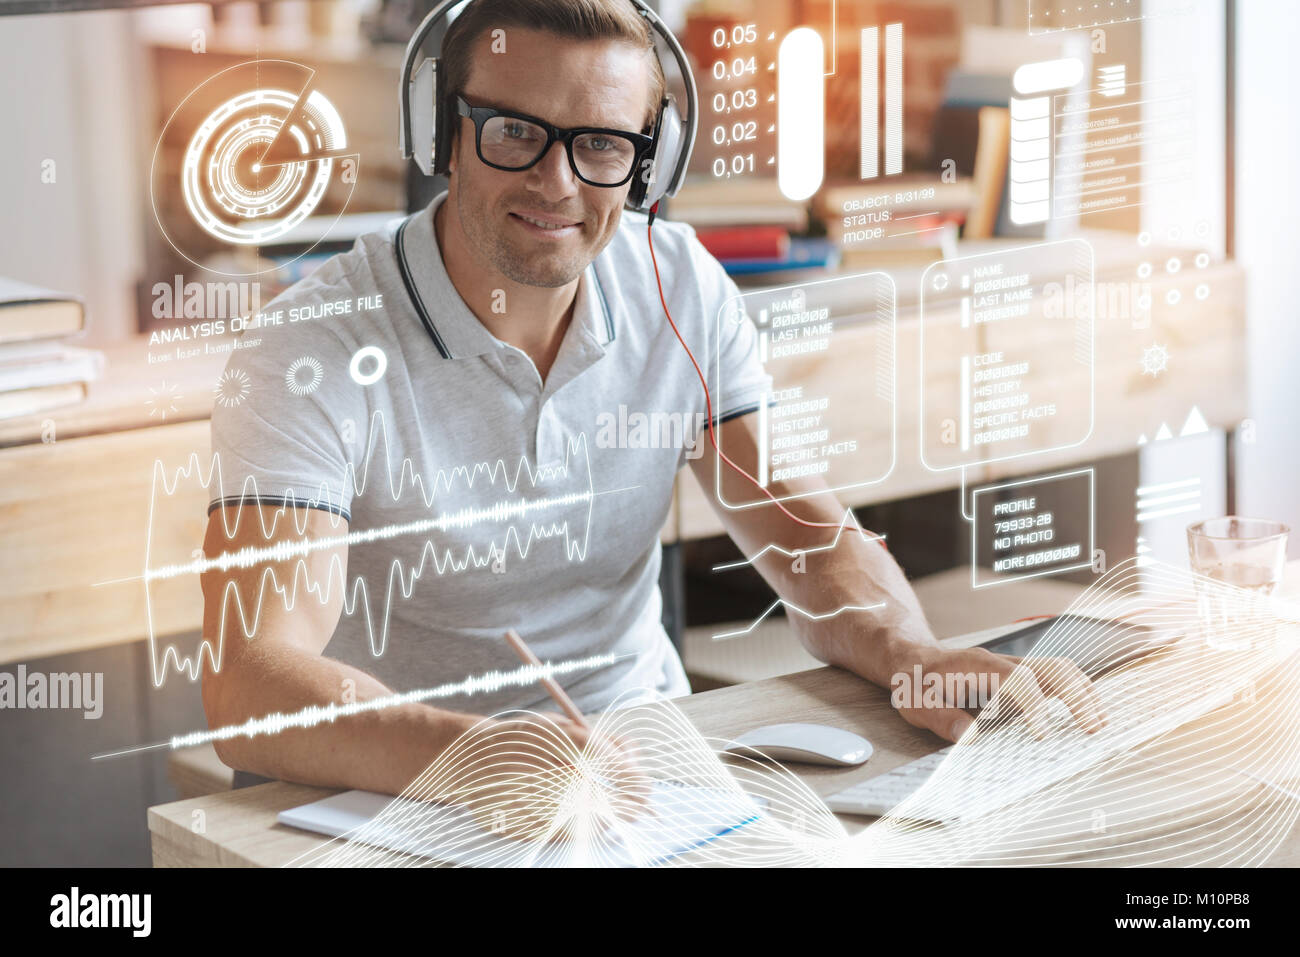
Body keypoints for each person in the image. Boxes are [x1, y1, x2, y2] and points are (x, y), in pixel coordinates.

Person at [200, 0, 1104, 819]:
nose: (557, 182)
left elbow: (805, 534)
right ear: (441, 130)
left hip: (649, 782)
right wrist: (473, 754)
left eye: (601, 144)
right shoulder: (309, 347)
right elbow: (249, 683)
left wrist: (914, 653)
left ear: (647, 163)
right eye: (514, 130)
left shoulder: (679, 285)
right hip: (404, 800)